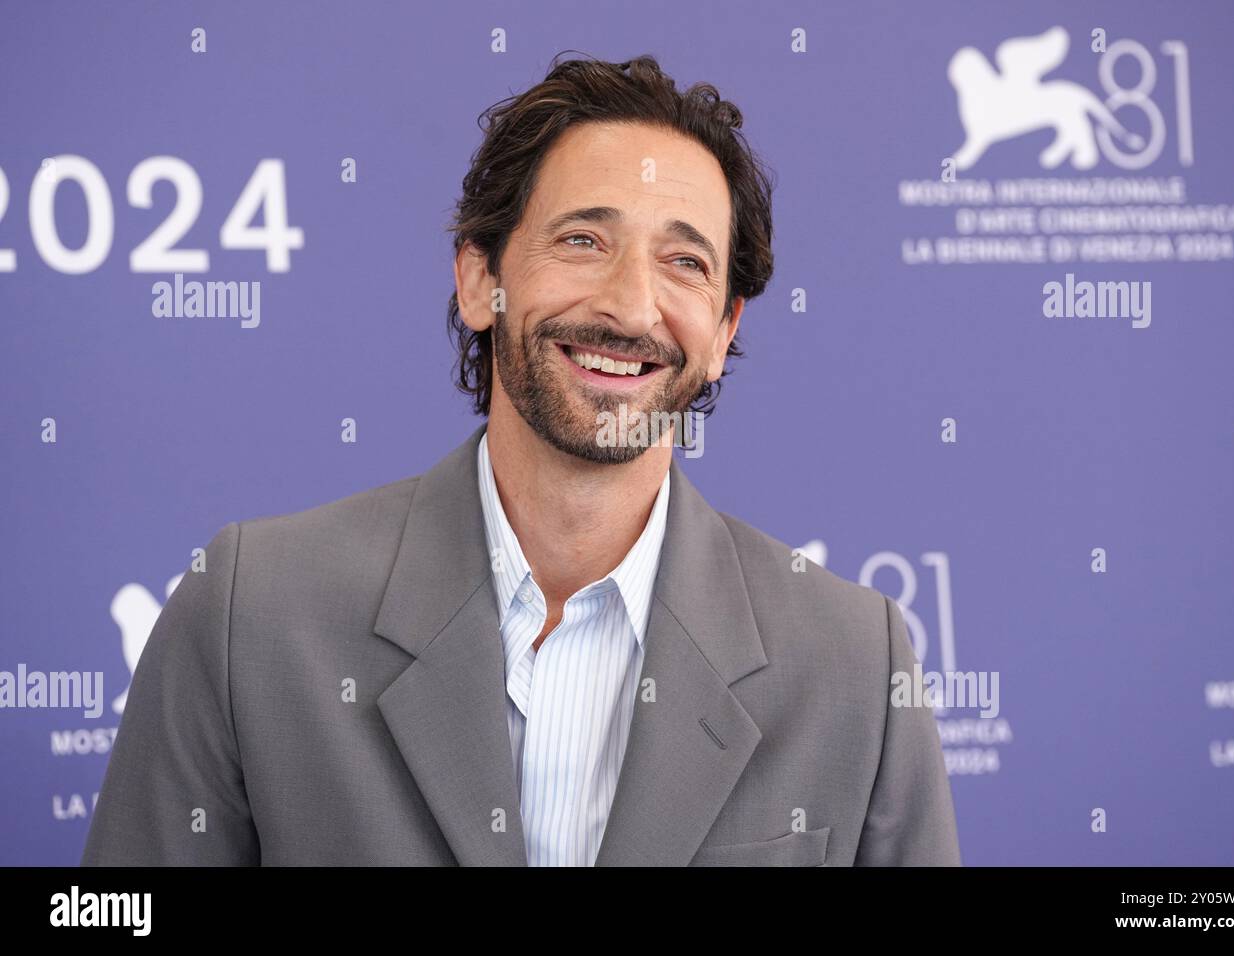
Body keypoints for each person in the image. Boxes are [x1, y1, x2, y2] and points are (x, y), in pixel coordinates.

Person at [82, 53, 959, 867]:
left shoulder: (852, 662)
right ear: (478, 281)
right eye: (583, 240)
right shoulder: (254, 612)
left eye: (684, 261)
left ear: (725, 330)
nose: (630, 306)